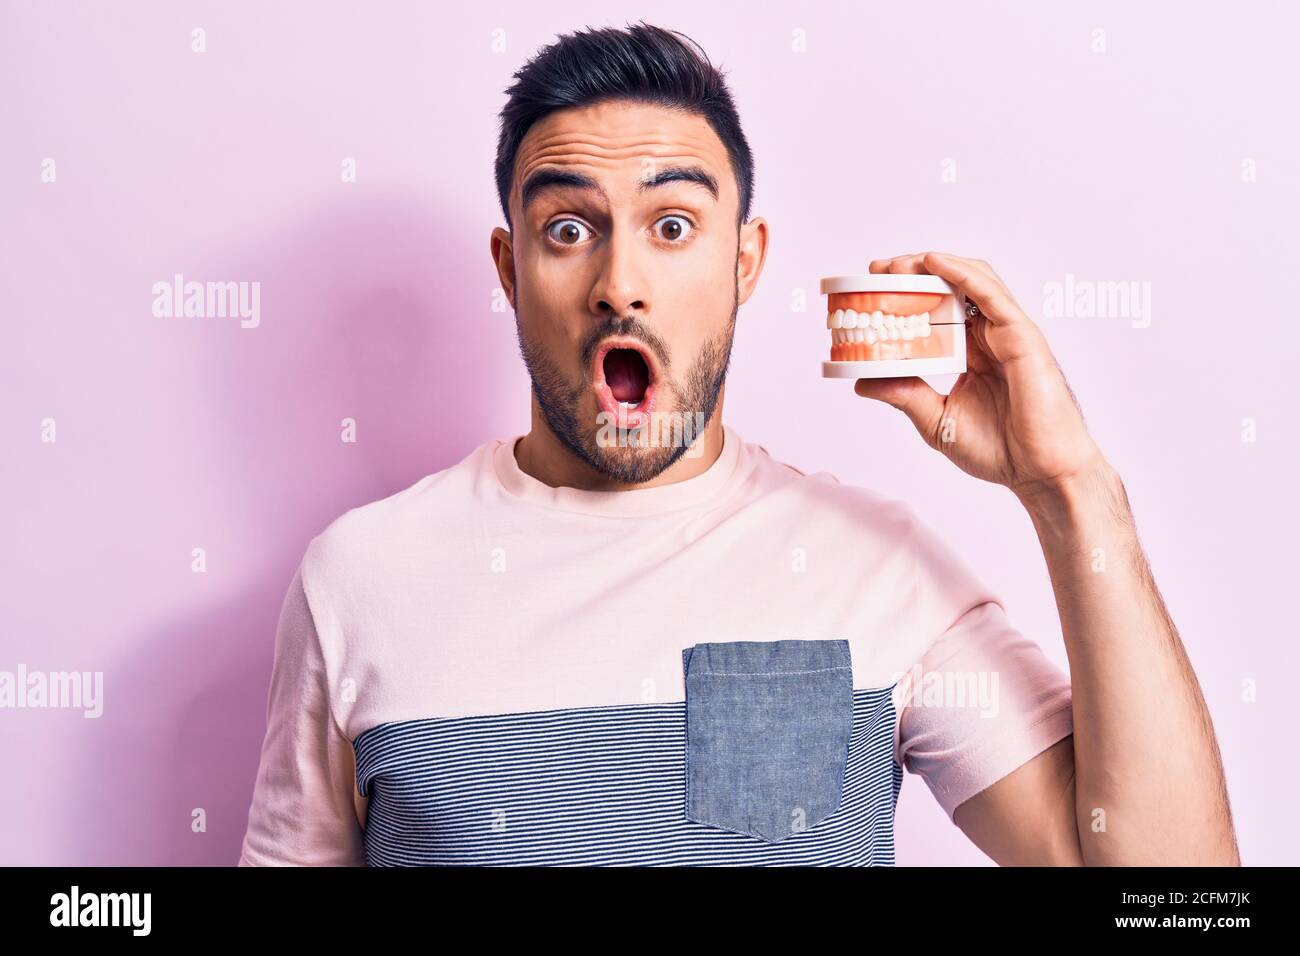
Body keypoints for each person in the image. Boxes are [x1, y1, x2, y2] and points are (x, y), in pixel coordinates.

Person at [238, 21, 1238, 866]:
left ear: (744, 261)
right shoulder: (359, 580)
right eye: (567, 229)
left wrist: (1071, 490)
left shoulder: (874, 568)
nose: (619, 281)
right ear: (508, 267)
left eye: (671, 224)